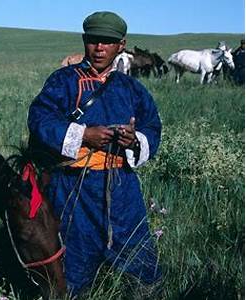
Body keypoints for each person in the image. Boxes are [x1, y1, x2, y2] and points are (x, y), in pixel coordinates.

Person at [27, 11, 162, 297]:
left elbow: (152, 126)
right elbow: (40, 120)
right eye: (94, 41)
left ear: (121, 45)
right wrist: (84, 134)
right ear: (85, 41)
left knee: (134, 248)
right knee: (75, 252)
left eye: (108, 42)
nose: (100, 48)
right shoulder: (63, 81)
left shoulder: (132, 89)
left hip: (121, 183)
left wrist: (133, 140)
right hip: (74, 184)